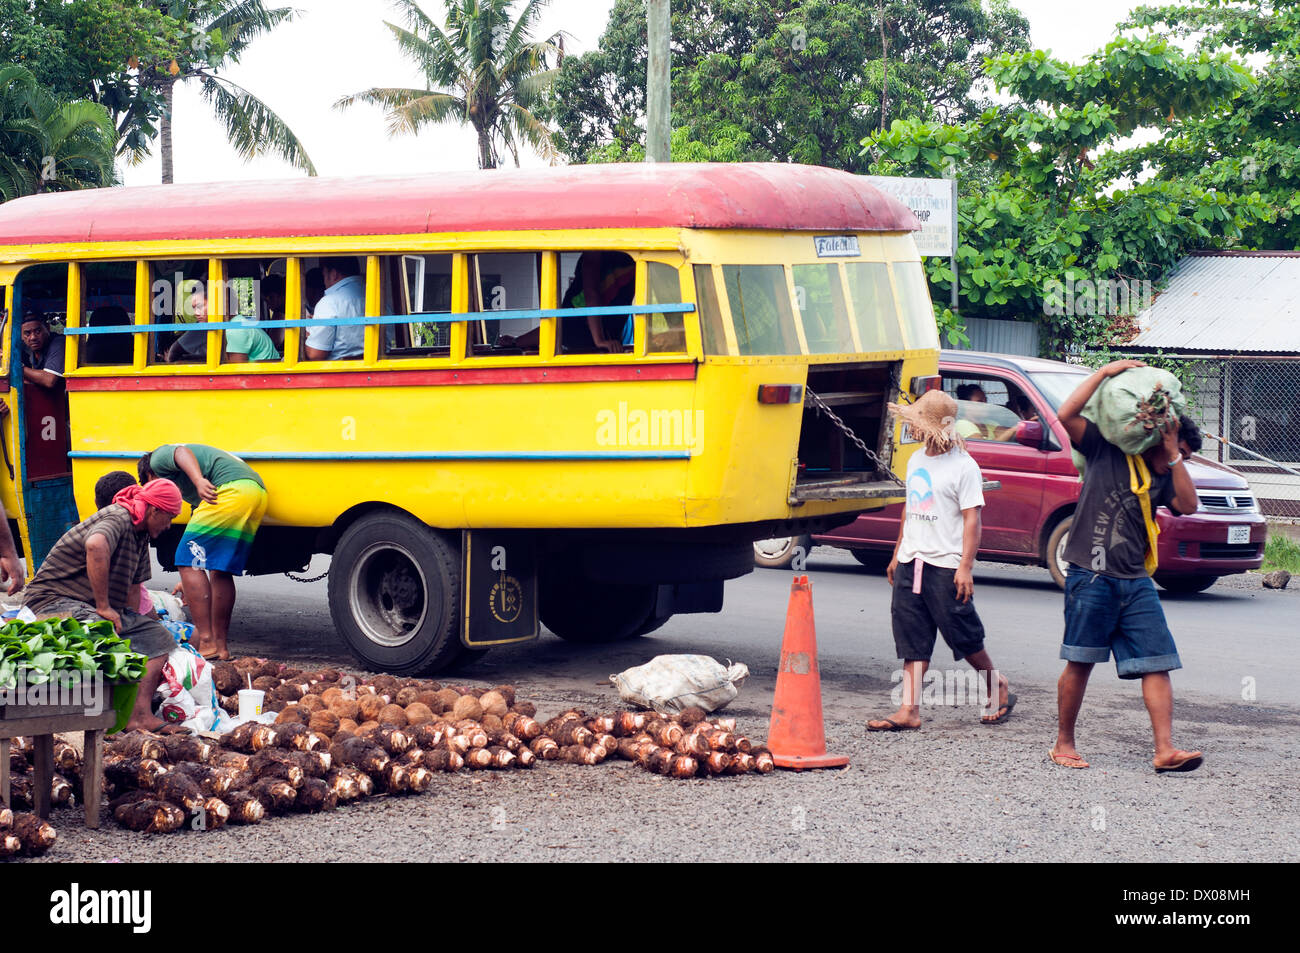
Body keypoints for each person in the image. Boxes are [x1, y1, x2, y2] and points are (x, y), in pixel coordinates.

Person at [1049, 359, 1204, 773]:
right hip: (1090, 572)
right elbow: (1066, 415)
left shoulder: (1169, 471)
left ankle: (1165, 750)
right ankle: (1064, 742)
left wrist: (1175, 457)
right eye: (1178, 452)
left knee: (1157, 661)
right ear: (1152, 437)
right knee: (1081, 659)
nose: (1180, 462)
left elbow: (1189, 506)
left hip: (1135, 579)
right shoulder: (1106, 448)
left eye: (1185, 457)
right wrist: (1103, 374)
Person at [866, 389, 1015, 731]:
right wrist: (896, 553)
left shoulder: (964, 467)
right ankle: (909, 710)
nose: (913, 429)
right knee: (911, 635)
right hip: (911, 560)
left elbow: (972, 520)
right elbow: (910, 508)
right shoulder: (916, 459)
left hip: (946, 564)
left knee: (963, 634)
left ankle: (997, 684)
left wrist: (965, 567)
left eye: (918, 424)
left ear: (934, 428)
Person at [21, 480, 183, 731]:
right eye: (170, 517)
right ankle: (87, 718)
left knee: (157, 638)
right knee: (101, 633)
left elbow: (133, 593)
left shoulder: (141, 535)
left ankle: (138, 716)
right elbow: (95, 545)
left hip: (85, 605)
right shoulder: (119, 516)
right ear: (155, 510)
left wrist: (142, 623)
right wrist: (105, 606)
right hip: (50, 600)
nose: (169, 525)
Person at [138, 444, 268, 661]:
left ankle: (206, 642)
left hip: (228, 491)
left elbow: (180, 451)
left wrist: (198, 481)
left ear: (150, 475)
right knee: (218, 570)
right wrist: (189, 582)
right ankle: (220, 647)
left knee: (185, 560)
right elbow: (199, 542)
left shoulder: (156, 460)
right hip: (255, 493)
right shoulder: (187, 487)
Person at [304, 257, 364, 360]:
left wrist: (308, 331)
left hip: (339, 372)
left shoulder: (329, 302)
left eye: (324, 275)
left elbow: (315, 354)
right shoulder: (377, 297)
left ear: (333, 274)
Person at [20, 311, 66, 390]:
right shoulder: (24, 347)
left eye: (38, 331)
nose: (33, 337)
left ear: (48, 328)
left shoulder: (59, 343)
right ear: (21, 335)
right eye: (27, 333)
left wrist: (16, 366)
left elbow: (49, 380)